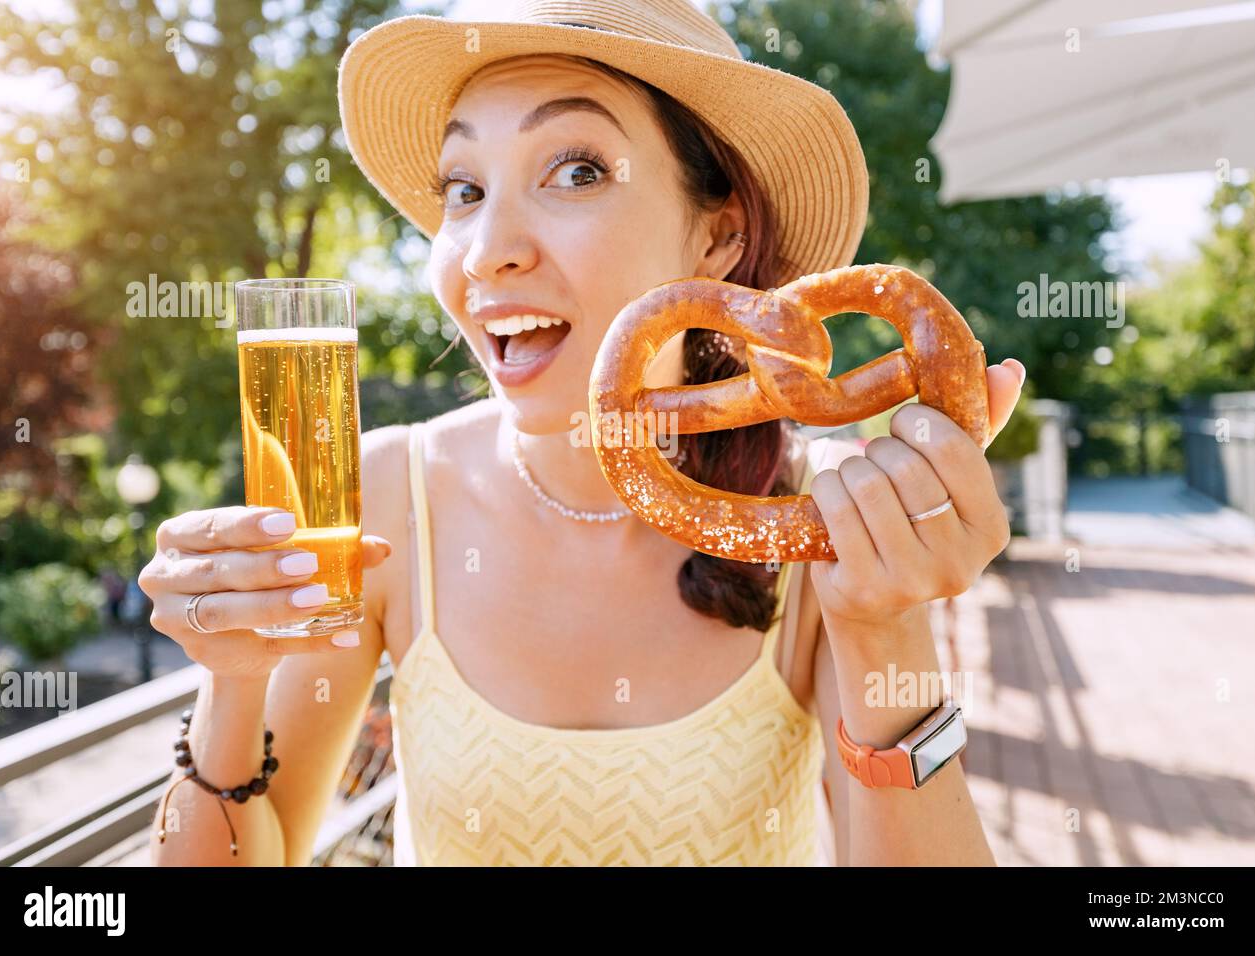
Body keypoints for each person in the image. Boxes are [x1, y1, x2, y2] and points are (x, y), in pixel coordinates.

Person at [139, 0, 1025, 866]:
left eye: (576, 170)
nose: (488, 249)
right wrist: (231, 683)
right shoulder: (378, 504)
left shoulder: (822, 526)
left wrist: (885, 627)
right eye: (464, 188)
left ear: (718, 240)